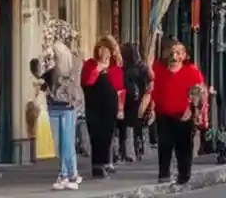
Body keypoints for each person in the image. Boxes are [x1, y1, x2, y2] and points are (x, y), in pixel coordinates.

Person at [141, 37, 206, 186]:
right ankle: (164, 175)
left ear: (184, 55)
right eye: (171, 53)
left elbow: (200, 93)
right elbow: (151, 89)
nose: (174, 56)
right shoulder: (158, 69)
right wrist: (149, 107)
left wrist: (195, 111)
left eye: (178, 53)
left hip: (184, 116)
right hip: (163, 114)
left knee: (183, 147)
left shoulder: (191, 71)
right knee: (164, 145)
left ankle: (184, 175)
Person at [34, 37, 84, 191]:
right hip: (58, 105)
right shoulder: (51, 65)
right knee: (62, 143)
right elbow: (39, 73)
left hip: (65, 105)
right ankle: (67, 173)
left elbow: (72, 82)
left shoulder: (72, 62)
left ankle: (68, 174)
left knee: (65, 143)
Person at [81, 35, 125, 179]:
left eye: (106, 50)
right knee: (95, 135)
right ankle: (96, 166)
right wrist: (98, 69)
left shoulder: (115, 68)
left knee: (107, 135)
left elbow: (120, 90)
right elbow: (87, 83)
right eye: (101, 49)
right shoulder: (90, 64)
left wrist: (120, 109)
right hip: (93, 105)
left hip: (109, 107)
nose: (103, 53)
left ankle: (104, 164)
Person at [118, 42, 149, 162]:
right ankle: (139, 150)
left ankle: (126, 152)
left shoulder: (126, 70)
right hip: (140, 100)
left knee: (126, 127)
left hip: (128, 100)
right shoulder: (142, 68)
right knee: (138, 127)